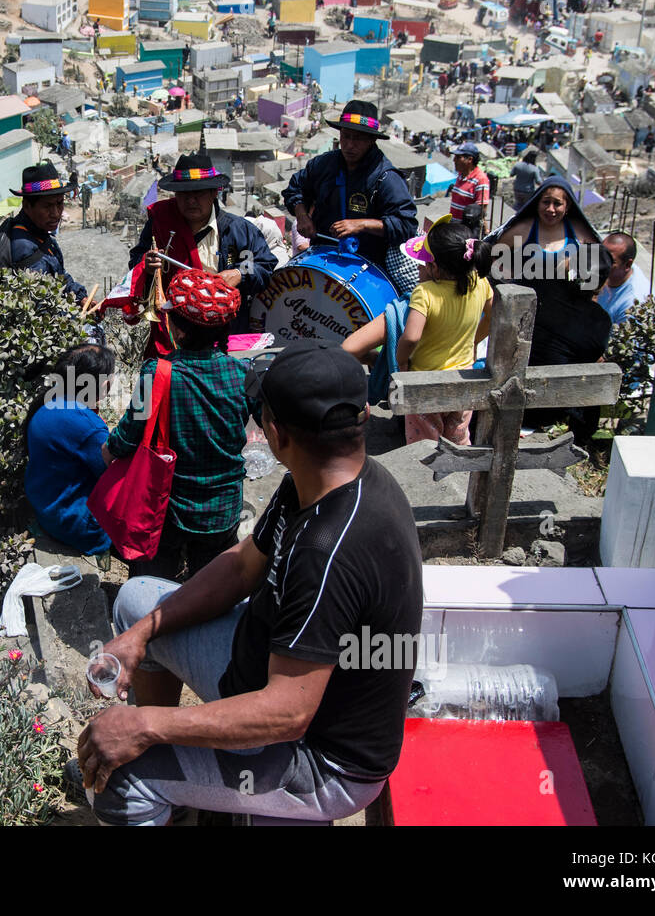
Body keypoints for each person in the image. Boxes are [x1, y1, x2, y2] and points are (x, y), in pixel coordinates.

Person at [75, 344, 424, 825]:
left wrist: (145, 726)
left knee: (123, 782)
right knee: (138, 604)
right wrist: (145, 631)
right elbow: (241, 566)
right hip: (258, 670)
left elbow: (287, 714)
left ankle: (162, 784)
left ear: (276, 434)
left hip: (320, 759)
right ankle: (180, 789)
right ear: (361, 416)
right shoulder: (328, 477)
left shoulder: (329, 549)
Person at [102, 270, 250, 582]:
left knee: (151, 583)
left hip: (167, 508)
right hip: (222, 509)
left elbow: (129, 435)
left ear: (176, 328)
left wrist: (108, 449)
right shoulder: (242, 373)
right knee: (210, 590)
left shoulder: (158, 372)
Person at [128, 151, 277, 357]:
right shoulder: (160, 226)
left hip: (226, 333)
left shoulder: (238, 230)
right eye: (184, 194)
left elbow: (263, 265)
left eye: (199, 193)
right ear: (175, 195)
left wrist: (239, 274)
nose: (191, 201)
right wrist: (147, 264)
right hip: (175, 334)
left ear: (215, 192)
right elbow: (136, 262)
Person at [282, 100, 420, 294]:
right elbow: (294, 189)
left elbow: (406, 225)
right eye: (345, 136)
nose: (349, 145)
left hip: (368, 272)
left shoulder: (386, 178)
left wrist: (361, 224)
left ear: (372, 140)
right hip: (321, 260)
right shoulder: (323, 165)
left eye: (358, 139)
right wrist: (302, 215)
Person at [395, 215, 493, 445]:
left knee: (425, 446)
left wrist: (401, 362)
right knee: (458, 439)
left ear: (435, 267)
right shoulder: (481, 283)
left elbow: (411, 336)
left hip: (425, 382)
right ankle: (459, 477)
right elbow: (493, 314)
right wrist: (474, 341)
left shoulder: (425, 293)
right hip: (464, 379)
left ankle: (428, 481)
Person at [25, 344, 116, 557]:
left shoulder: (48, 403)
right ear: (105, 386)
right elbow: (111, 475)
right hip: (80, 526)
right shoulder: (86, 426)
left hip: (47, 510)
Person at [0, 162, 87, 303]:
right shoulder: (24, 248)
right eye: (47, 206)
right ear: (27, 206)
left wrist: (80, 298)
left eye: (59, 203)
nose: (56, 213)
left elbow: (59, 276)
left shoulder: (38, 232)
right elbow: (42, 306)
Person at [596, 231, 646, 324]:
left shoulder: (631, 305)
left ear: (627, 264)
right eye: (600, 255)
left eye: (610, 261)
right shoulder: (615, 273)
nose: (600, 263)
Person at [448, 142, 490, 227]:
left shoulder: (480, 179)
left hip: (465, 230)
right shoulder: (461, 175)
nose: (454, 160)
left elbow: (481, 211)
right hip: (453, 226)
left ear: (470, 160)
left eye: (458, 157)